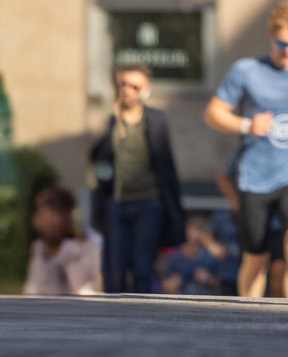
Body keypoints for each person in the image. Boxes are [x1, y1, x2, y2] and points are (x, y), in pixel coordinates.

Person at [203, 0, 288, 299]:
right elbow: (213, 113)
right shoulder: (246, 71)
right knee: (256, 257)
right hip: (255, 174)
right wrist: (246, 125)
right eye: (282, 43)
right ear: (270, 33)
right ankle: (250, 318)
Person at [89, 62, 186, 294]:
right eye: (123, 84)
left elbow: (167, 166)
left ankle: (140, 319)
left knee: (143, 266)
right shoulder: (110, 121)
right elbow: (95, 158)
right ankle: (115, 317)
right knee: (115, 266)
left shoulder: (156, 120)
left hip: (148, 202)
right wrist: (112, 126)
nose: (128, 90)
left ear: (145, 89)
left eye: (134, 86)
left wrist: (174, 208)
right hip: (116, 202)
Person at [25, 186, 103, 295]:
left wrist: (71, 262)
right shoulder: (39, 249)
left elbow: (93, 295)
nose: (40, 220)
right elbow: (32, 294)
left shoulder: (90, 250)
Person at [160, 214, 228, 296]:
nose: (192, 242)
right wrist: (172, 284)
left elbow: (220, 283)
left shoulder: (210, 258)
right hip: (182, 301)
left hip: (206, 300)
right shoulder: (174, 258)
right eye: (189, 238)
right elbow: (165, 284)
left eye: (195, 240)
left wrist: (208, 279)